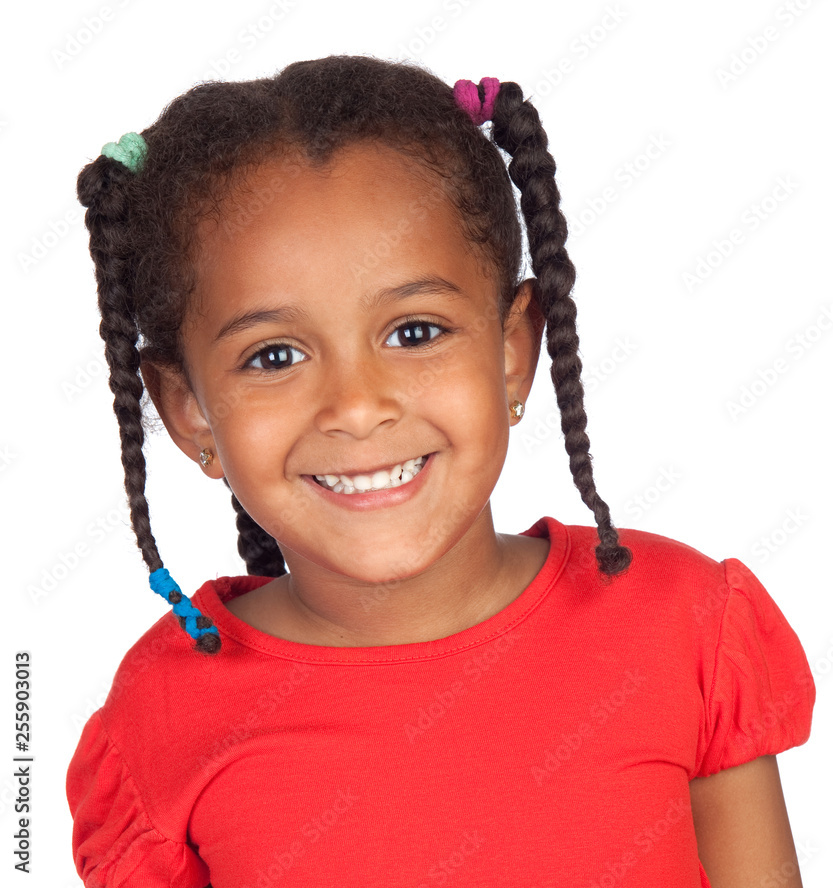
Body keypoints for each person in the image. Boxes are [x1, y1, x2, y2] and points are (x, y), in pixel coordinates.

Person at [66, 55, 814, 888]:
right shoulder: (158, 720)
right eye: (273, 355)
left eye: (414, 332)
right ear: (189, 413)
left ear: (511, 353)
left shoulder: (681, 626)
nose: (355, 406)